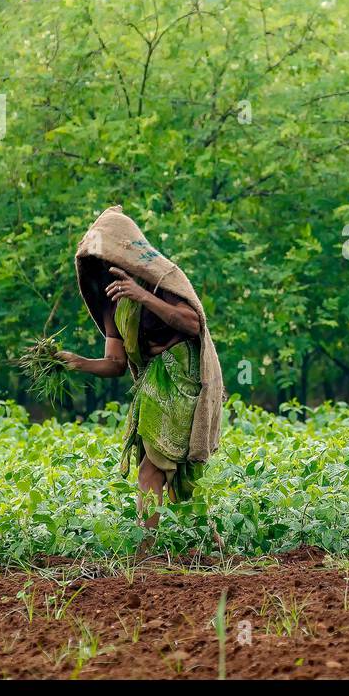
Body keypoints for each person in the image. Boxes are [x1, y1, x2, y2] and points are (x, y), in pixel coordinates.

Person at [55, 206, 226, 553]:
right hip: (153, 382)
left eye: (105, 256)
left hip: (183, 376)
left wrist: (142, 294)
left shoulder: (160, 280)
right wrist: (78, 363)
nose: (103, 266)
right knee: (159, 464)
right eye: (95, 260)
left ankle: (143, 551)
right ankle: (208, 541)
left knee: (155, 465)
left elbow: (193, 323)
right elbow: (116, 363)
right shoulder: (111, 302)